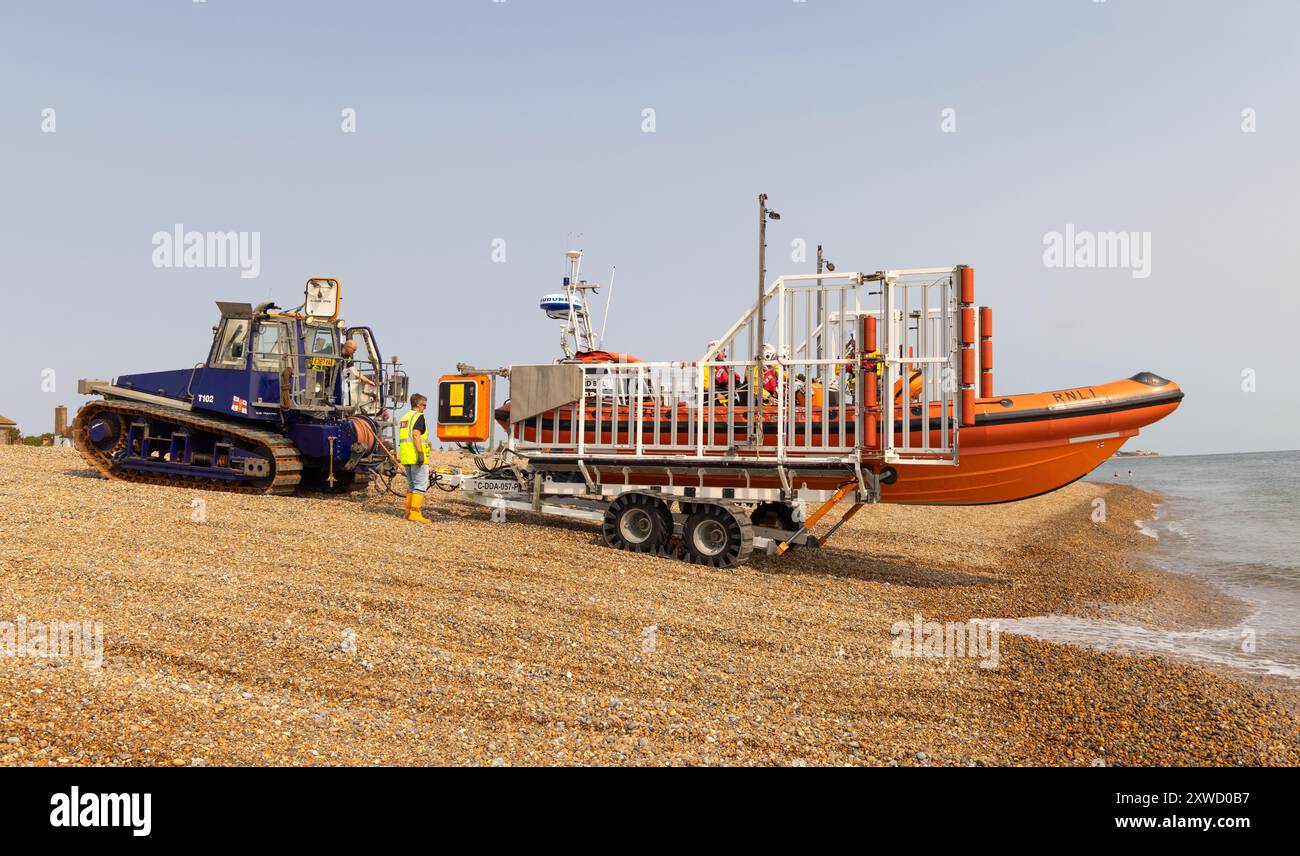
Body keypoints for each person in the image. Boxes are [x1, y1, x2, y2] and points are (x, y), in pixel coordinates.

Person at [398, 393, 433, 523]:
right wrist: (420, 453)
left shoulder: (405, 417)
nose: (425, 408)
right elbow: (416, 435)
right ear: (418, 405)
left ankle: (408, 512)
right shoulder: (418, 416)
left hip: (406, 456)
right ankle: (415, 513)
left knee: (412, 485)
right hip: (416, 456)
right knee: (420, 485)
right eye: (424, 405)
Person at [340, 339, 380, 411]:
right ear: (348, 347)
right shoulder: (334, 349)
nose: (354, 352)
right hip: (324, 377)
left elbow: (354, 371)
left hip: (336, 380)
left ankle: (345, 406)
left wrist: (368, 381)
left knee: (346, 380)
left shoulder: (348, 358)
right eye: (354, 350)